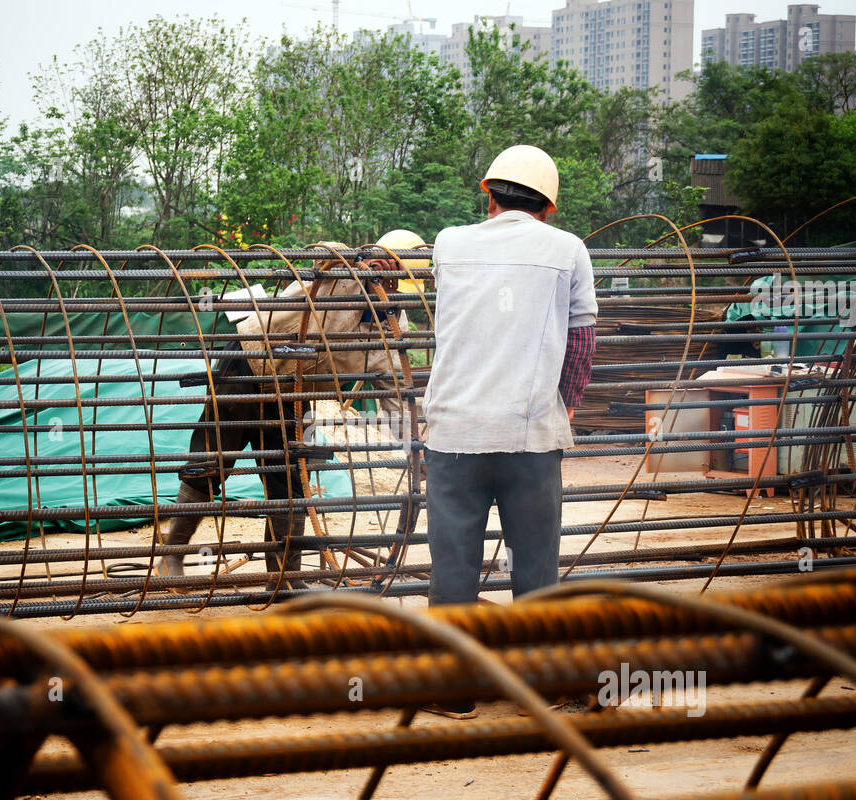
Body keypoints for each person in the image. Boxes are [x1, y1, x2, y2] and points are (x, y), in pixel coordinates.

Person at [419, 145, 598, 718]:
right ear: (548, 206)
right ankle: (537, 687)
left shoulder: (449, 243)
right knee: (536, 563)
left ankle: (453, 689)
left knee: (453, 562)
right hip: (530, 438)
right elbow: (581, 348)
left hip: (453, 433)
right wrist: (558, 415)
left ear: (489, 196)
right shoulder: (569, 250)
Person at [159, 231, 429, 588]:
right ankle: (171, 556)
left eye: (400, 289)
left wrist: (413, 441)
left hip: (293, 393)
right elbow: (321, 252)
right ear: (385, 266)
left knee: (288, 482)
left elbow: (396, 392)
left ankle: (284, 577)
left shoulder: (394, 328)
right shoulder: (343, 274)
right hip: (248, 362)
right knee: (212, 460)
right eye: (392, 280)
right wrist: (357, 262)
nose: (392, 293)